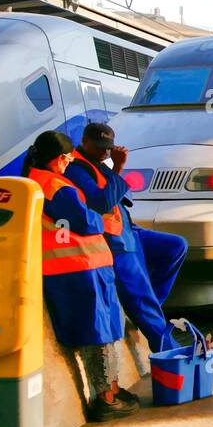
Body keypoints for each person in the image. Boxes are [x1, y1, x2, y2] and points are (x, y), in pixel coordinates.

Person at [22, 130, 136, 422]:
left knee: (104, 328)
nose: (71, 160)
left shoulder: (33, 182)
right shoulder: (54, 185)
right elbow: (84, 220)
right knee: (96, 333)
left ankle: (111, 389)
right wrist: (103, 219)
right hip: (80, 268)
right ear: (60, 159)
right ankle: (104, 399)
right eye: (68, 156)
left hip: (75, 268)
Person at [65, 122, 187, 354]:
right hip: (114, 241)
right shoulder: (76, 169)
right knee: (143, 301)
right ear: (84, 142)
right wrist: (118, 167)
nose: (105, 152)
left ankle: (149, 307)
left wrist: (113, 170)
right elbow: (102, 202)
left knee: (176, 247)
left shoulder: (99, 165)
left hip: (130, 232)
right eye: (100, 146)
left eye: (108, 148)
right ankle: (174, 357)